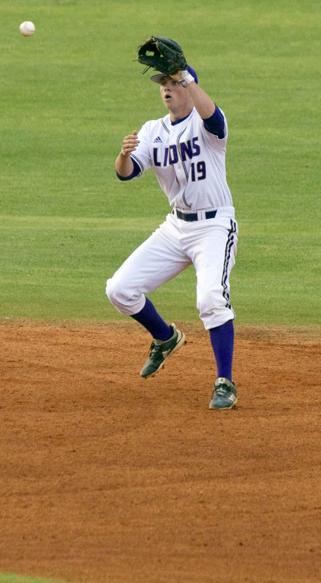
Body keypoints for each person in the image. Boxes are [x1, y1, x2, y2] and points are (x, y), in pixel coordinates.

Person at [105, 39, 238, 410]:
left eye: (172, 81)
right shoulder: (152, 131)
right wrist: (123, 154)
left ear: (187, 86)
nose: (165, 87)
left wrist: (188, 77)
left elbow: (214, 116)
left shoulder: (207, 126)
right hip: (176, 228)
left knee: (210, 298)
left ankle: (224, 381)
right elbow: (126, 174)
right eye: (162, 82)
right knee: (119, 289)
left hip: (214, 227)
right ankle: (165, 338)